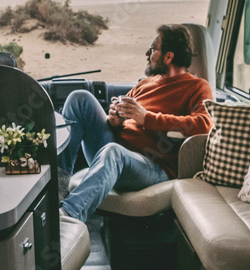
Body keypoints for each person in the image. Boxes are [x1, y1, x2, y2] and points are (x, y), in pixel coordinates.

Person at [58, 24, 214, 222]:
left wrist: (147, 118)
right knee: (79, 98)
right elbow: (123, 119)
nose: (147, 53)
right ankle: (59, 189)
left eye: (153, 49)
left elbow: (203, 124)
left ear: (168, 57)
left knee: (113, 152)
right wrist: (115, 119)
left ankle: (68, 214)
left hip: (152, 166)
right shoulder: (145, 83)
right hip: (116, 153)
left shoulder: (197, 86)